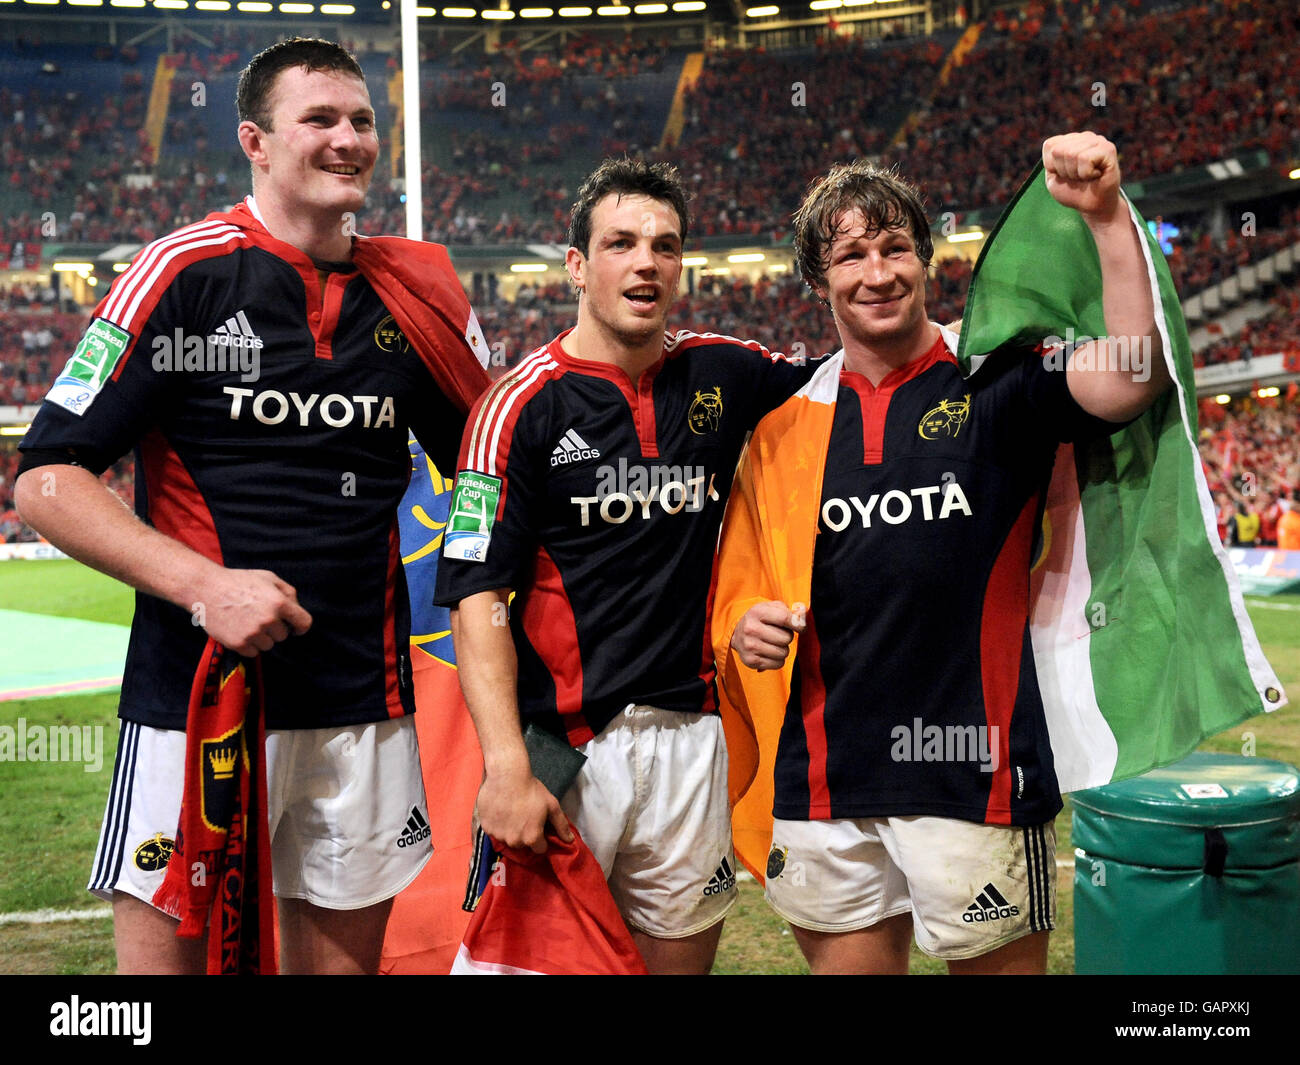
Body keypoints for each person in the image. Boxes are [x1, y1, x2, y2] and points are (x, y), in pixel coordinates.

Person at [14, 38, 490, 975]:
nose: (348, 138)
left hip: (365, 704)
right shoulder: (181, 274)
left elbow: (491, 466)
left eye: (361, 120)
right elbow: (46, 476)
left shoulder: (417, 295)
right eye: (320, 118)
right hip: (195, 705)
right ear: (256, 143)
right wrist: (204, 585)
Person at [719, 132, 1170, 974]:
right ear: (819, 282)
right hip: (825, 776)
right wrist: (745, 626)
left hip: (972, 767)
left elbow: (1137, 373)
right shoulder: (785, 425)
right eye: (850, 255)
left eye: (896, 248)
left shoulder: (996, 376)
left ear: (929, 261)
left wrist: (1106, 216)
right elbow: (743, 586)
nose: (877, 272)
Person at [433, 158, 817, 975]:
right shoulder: (518, 406)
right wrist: (505, 765)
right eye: (621, 242)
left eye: (665, 245)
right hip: (567, 749)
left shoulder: (724, 370)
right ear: (577, 265)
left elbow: (849, 382)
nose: (646, 261)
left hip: (692, 741)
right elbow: (473, 593)